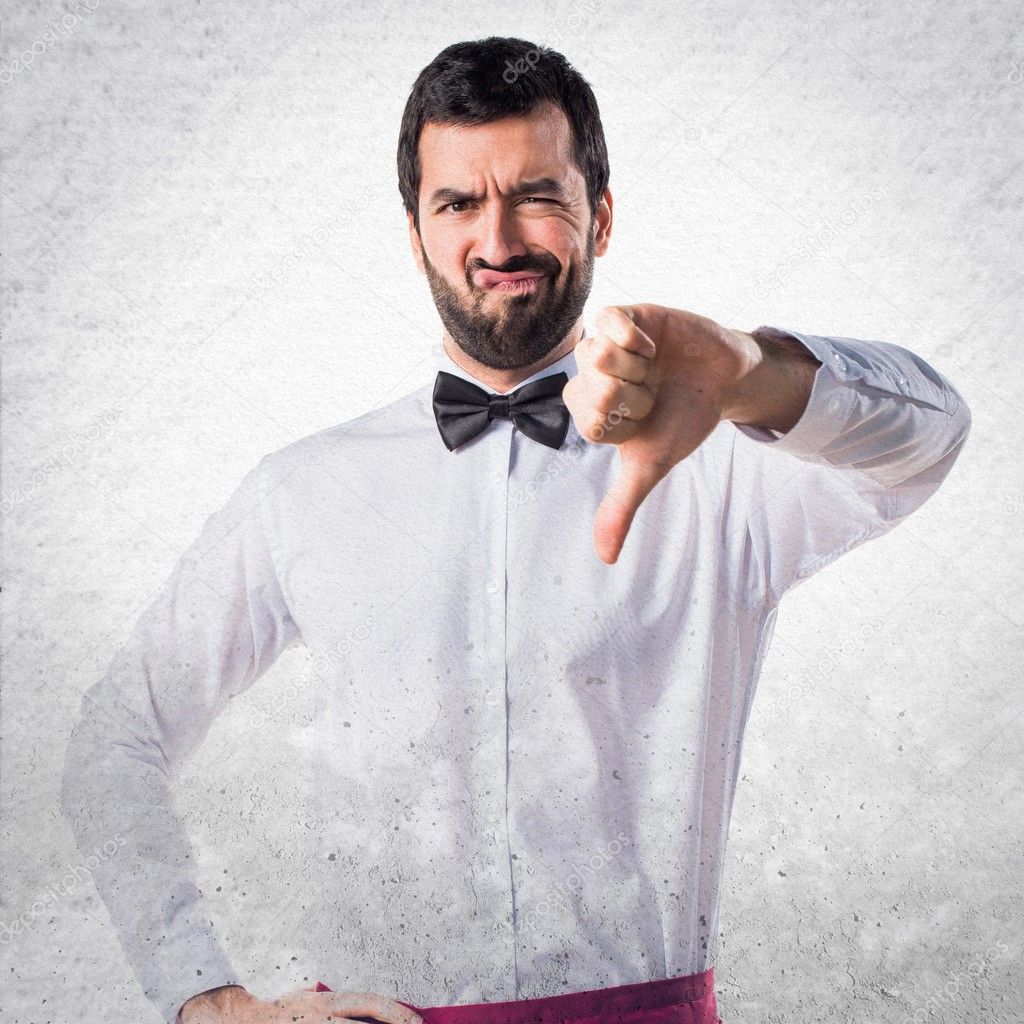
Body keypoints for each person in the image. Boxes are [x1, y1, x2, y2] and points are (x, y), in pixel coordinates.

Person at [60, 36, 972, 1024]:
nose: (497, 241)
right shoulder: (300, 490)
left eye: (535, 194)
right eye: (457, 202)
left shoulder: (722, 470)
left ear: (601, 214)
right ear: (414, 230)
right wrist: (210, 998)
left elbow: (929, 436)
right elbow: (114, 737)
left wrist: (751, 367)